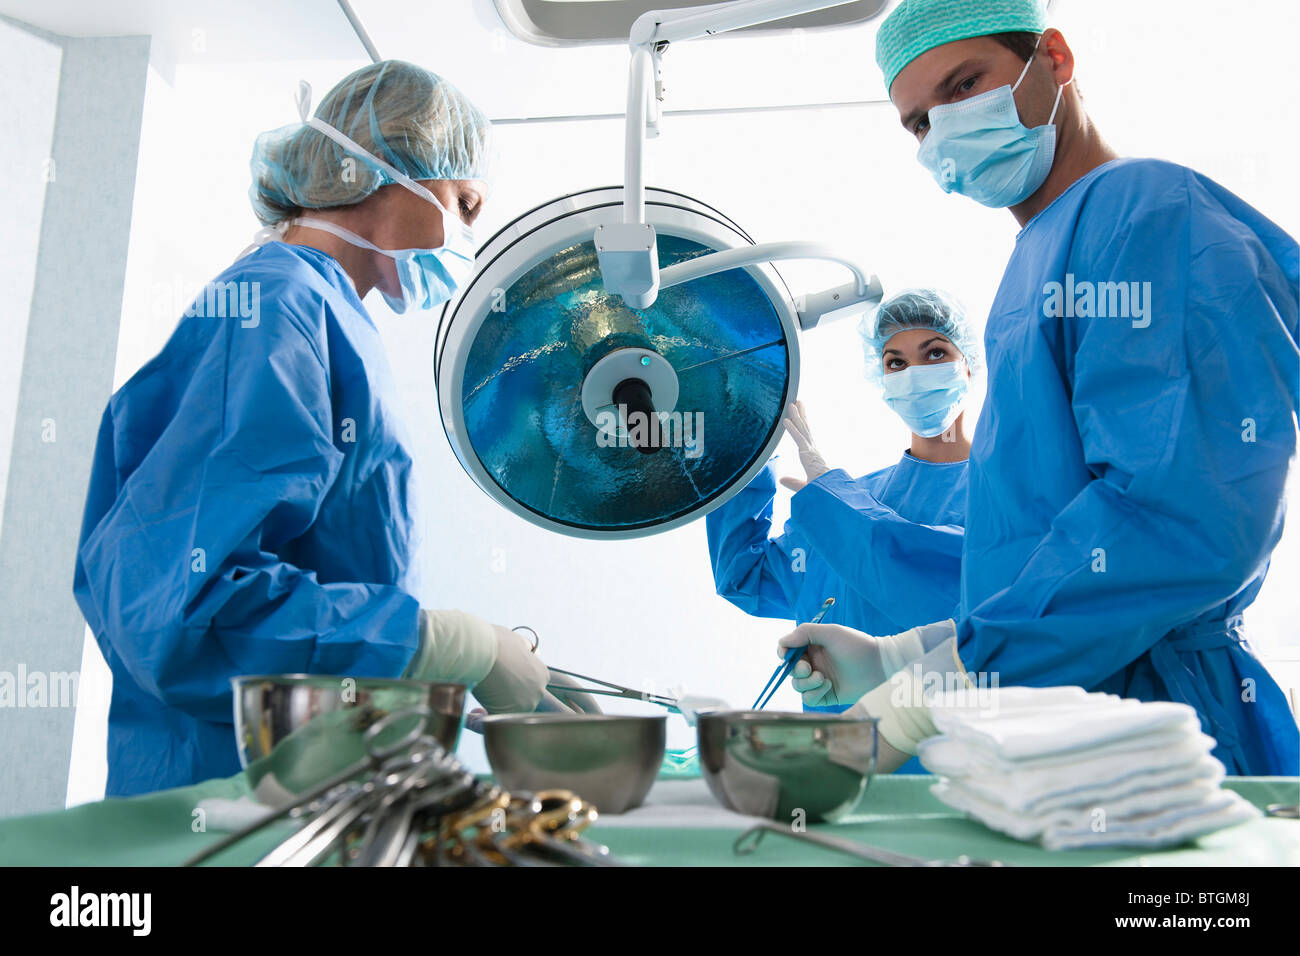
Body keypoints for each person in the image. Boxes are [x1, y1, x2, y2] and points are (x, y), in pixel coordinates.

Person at [780, 0, 1300, 776]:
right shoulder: (1039, 261)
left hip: (1156, 727)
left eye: (964, 85)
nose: (943, 129)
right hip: (1065, 725)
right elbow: (1040, 549)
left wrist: (935, 692)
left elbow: (1181, 517)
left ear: (1054, 58)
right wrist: (910, 655)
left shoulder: (1146, 214)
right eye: (919, 122)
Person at [73, 61, 585, 798]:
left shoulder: (322, 317)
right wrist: (447, 644)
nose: (470, 232)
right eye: (464, 201)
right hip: (232, 806)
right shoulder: (277, 310)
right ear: (381, 171)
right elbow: (182, 608)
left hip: (305, 792)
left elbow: (326, 572)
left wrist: (435, 662)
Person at [707, 290, 976, 717]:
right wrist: (750, 449)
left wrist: (831, 501)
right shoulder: (838, 503)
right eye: (896, 363)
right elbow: (745, 578)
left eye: (935, 352)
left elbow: (950, 587)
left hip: (950, 763)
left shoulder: (1006, 491)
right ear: (882, 378)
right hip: (836, 761)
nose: (915, 374)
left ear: (970, 366)